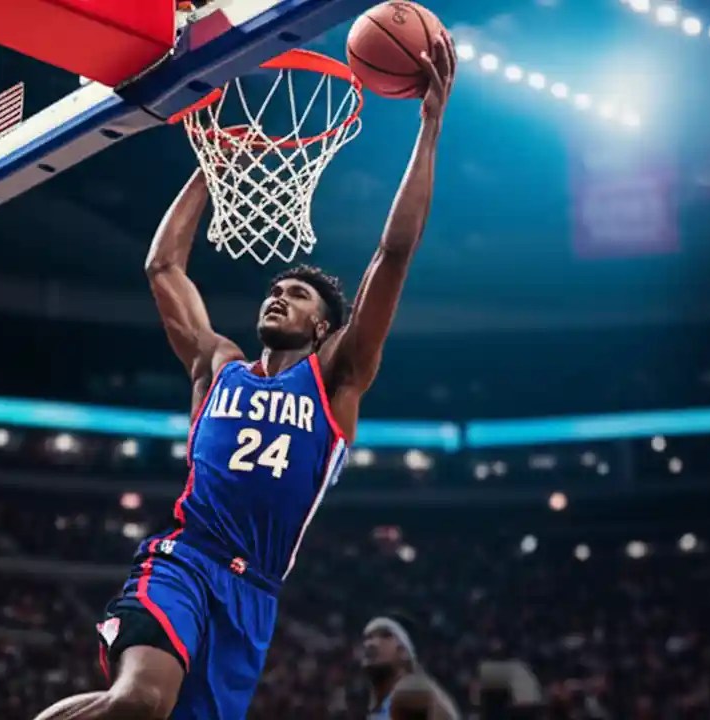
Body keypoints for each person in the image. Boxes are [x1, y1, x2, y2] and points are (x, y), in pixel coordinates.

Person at [31, 32, 455, 720]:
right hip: (184, 561)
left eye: (298, 295)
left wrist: (429, 127)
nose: (278, 297)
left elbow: (394, 252)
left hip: (253, 593)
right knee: (140, 701)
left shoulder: (337, 378)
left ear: (323, 327)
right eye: (275, 290)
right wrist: (214, 163)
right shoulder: (218, 364)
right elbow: (163, 267)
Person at [361, 614, 459, 720]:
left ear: (403, 651)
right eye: (368, 637)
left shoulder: (412, 690)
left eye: (385, 636)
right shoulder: (386, 702)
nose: (370, 643)